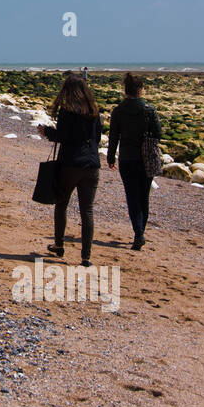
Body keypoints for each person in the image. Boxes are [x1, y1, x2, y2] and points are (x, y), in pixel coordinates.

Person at [37, 75, 102, 266]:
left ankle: (59, 244)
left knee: (62, 204)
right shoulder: (93, 111)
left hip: (71, 163)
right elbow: (97, 136)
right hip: (91, 164)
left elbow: (63, 136)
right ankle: (86, 256)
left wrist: (46, 132)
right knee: (87, 210)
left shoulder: (67, 111)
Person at [108, 72, 162, 250]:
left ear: (126, 91)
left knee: (132, 197)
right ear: (140, 90)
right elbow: (158, 134)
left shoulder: (118, 111)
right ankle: (140, 232)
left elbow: (113, 136)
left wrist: (110, 157)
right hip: (146, 158)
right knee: (144, 196)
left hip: (126, 158)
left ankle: (138, 232)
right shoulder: (149, 110)